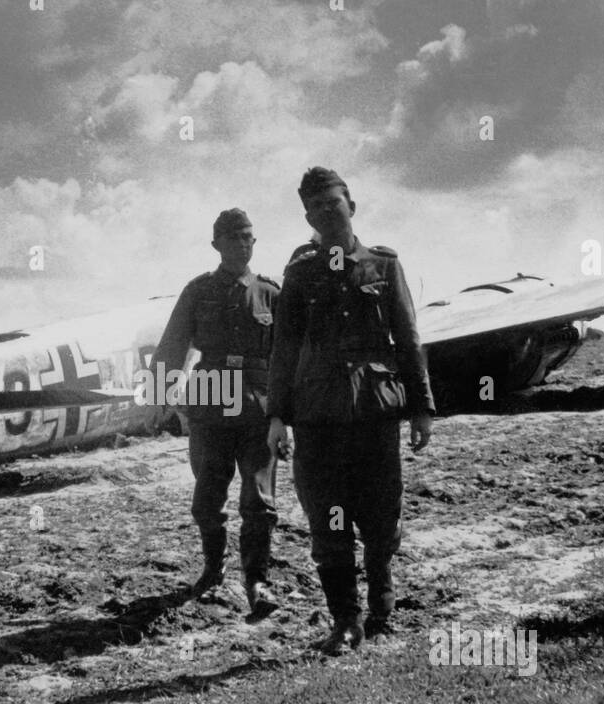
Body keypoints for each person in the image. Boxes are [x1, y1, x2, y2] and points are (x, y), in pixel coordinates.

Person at [267, 168, 435, 653]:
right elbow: (284, 349)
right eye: (316, 207)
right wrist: (278, 416)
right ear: (308, 217)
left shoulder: (383, 266)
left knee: (381, 512)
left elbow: (408, 339)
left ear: (351, 207)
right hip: (318, 416)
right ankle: (346, 620)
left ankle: (381, 588)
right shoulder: (299, 274)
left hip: (375, 413)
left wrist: (422, 407)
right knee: (329, 516)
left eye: (333, 203)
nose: (326, 212)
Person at [150, 208, 282, 619]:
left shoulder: (271, 294)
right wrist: (158, 393)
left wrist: (286, 413)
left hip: (258, 403)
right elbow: (173, 344)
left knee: (259, 499)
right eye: (234, 238)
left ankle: (257, 581)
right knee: (208, 495)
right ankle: (213, 567)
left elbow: (287, 356)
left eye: (248, 237)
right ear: (217, 245)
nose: (243, 244)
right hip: (212, 396)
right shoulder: (199, 291)